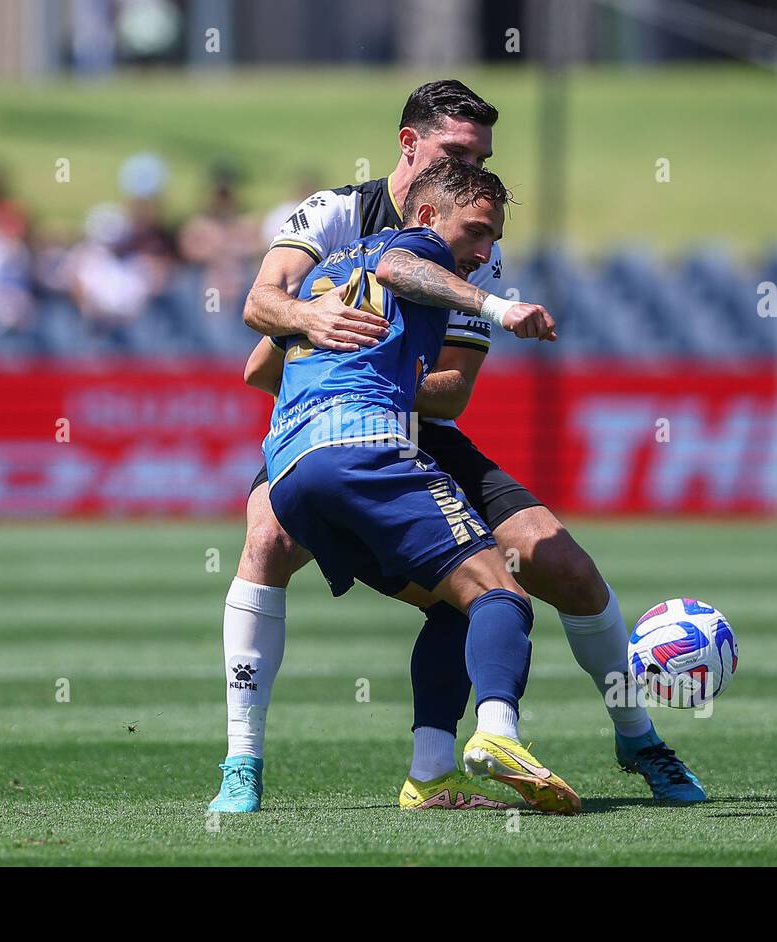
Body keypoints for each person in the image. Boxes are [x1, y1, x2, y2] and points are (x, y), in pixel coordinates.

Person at [213, 79, 705, 814]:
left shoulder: (478, 245)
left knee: (558, 566)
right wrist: (317, 331)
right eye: (459, 151)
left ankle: (631, 737)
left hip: (399, 425)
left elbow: (453, 391)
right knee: (265, 543)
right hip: (343, 427)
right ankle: (242, 762)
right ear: (411, 147)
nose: (476, 168)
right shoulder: (341, 213)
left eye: (484, 155)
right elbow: (260, 314)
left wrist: (368, 368)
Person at [260, 159, 577, 813]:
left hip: (291, 471)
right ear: (429, 215)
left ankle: (431, 775)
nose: (486, 251)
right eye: (478, 231)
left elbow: (257, 366)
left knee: (451, 608)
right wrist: (499, 304)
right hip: (363, 447)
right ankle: (498, 735)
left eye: (494, 239)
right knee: (502, 596)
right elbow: (400, 269)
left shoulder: (328, 272)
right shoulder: (413, 247)